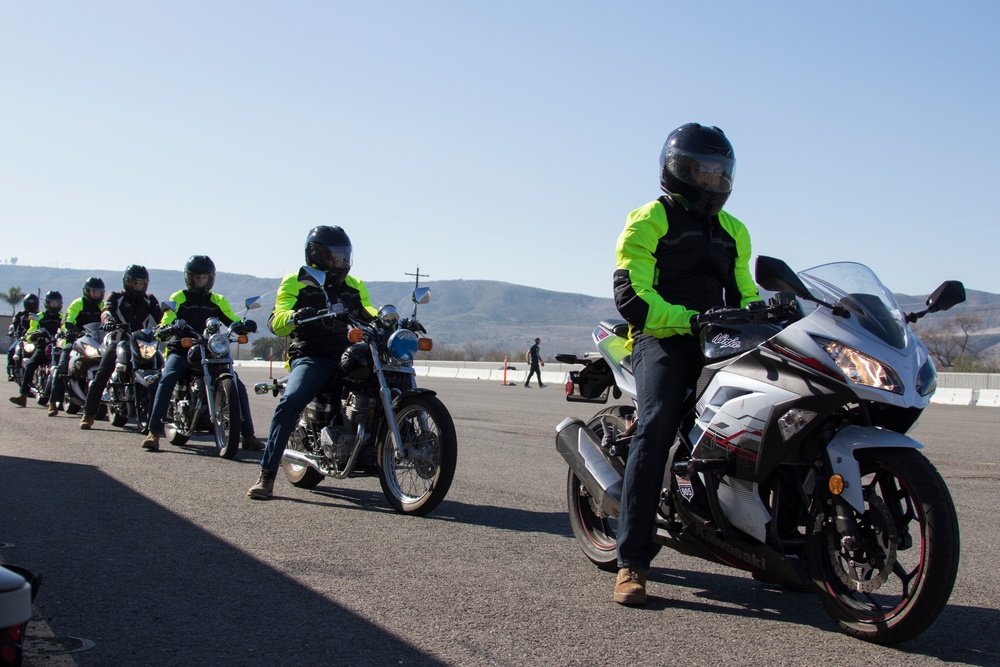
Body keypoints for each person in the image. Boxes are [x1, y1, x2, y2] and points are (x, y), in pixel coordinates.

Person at [610, 123, 761, 605]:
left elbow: (746, 293)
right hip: (661, 336)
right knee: (656, 425)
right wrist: (689, 319)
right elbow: (632, 295)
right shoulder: (649, 218)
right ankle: (631, 560)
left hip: (721, 338)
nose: (712, 181)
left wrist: (764, 316)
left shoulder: (734, 230)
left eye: (720, 173)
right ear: (678, 170)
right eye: (703, 171)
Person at [247, 225, 377, 500]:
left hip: (348, 353)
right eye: (334, 255)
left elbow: (368, 311)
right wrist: (294, 316)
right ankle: (267, 474)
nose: (340, 261)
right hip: (312, 354)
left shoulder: (354, 285)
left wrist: (387, 320)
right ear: (316, 255)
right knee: (291, 400)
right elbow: (277, 319)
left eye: (344, 255)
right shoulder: (297, 280)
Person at [142, 255, 262, 452]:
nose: (200, 281)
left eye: (204, 278)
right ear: (189, 278)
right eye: (197, 277)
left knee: (237, 385)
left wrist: (243, 325)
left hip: (210, 350)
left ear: (211, 278)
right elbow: (166, 319)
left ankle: (248, 436)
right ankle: (153, 432)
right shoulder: (179, 298)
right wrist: (168, 327)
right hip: (182, 349)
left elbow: (231, 320)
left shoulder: (217, 300)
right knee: (168, 377)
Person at [79, 265, 163, 430]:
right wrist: (108, 320)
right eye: (135, 283)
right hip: (119, 340)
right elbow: (106, 311)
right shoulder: (116, 297)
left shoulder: (149, 299)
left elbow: (161, 317)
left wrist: (168, 325)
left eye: (141, 283)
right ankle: (88, 414)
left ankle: (160, 415)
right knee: (103, 372)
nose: (138, 286)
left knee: (161, 365)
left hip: (142, 342)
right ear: (127, 282)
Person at [47, 277, 105, 416]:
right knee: (63, 366)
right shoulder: (78, 303)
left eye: (98, 292)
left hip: (96, 341)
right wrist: (68, 328)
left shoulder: (102, 305)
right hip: (76, 339)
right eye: (92, 292)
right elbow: (68, 318)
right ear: (86, 291)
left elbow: (107, 318)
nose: (95, 295)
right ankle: (53, 402)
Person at [9, 291, 62, 407]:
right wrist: (32, 335)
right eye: (52, 303)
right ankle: (23, 396)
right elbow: (30, 331)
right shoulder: (39, 316)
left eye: (57, 303)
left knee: (64, 369)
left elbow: (66, 327)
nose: (54, 305)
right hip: (42, 346)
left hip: (57, 347)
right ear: (47, 303)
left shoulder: (62, 317)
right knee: (30, 365)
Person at [6, 294, 39, 381]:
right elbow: (14, 323)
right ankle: (10, 371)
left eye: (33, 303)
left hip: (34, 339)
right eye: (29, 303)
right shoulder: (20, 314)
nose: (31, 305)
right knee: (11, 351)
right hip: (21, 338)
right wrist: (12, 330)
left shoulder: (39, 315)